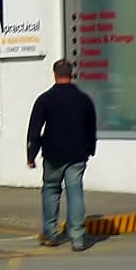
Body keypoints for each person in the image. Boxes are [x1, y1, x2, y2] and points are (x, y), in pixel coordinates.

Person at [27, 59, 97, 251]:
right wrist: (90, 149)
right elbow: (91, 127)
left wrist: (31, 154)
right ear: (72, 74)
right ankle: (78, 238)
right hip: (77, 154)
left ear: (55, 74)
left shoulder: (45, 99)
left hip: (52, 154)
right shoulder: (84, 99)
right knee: (75, 193)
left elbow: (34, 129)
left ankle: (50, 233)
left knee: (50, 190)